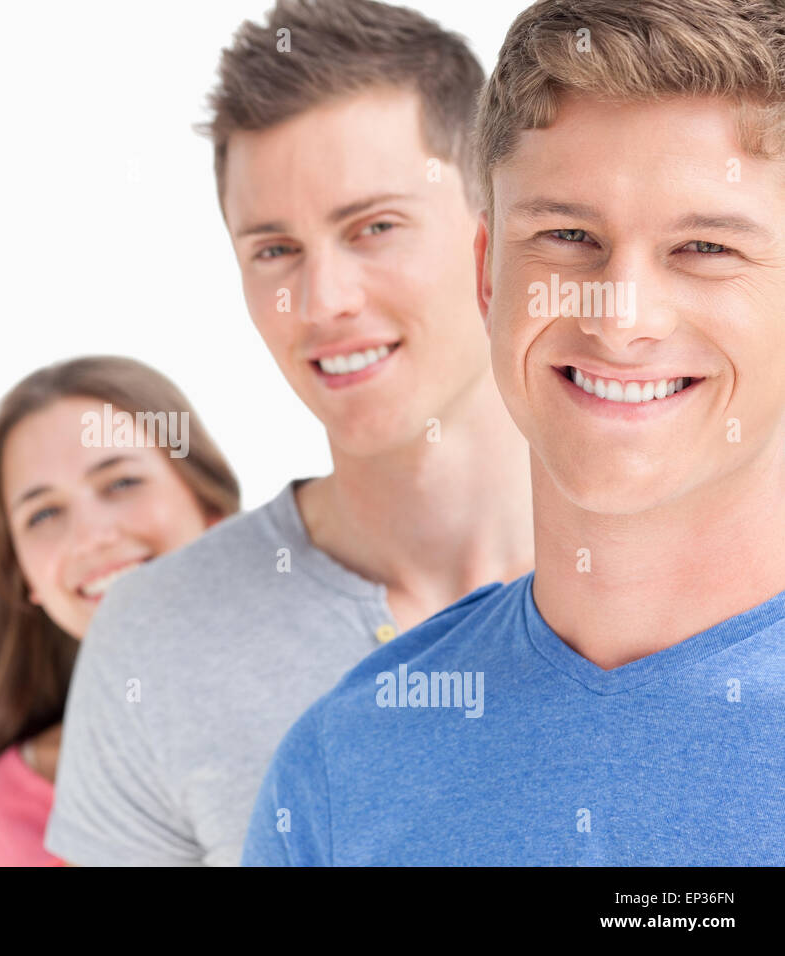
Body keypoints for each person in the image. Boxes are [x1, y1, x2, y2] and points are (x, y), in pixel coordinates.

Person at [244, 0, 785, 865]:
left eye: (704, 248)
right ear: (487, 277)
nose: (619, 319)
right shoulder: (347, 761)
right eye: (568, 237)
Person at [45, 0, 534, 866]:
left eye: (374, 227)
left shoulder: (698, 576)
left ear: (490, 231)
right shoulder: (157, 636)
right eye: (274, 250)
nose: (321, 302)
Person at [0, 356, 239, 866]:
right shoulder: (1, 818)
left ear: (208, 504)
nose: (90, 538)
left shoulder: (340, 696)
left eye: (122, 483)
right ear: (26, 576)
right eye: (44, 514)